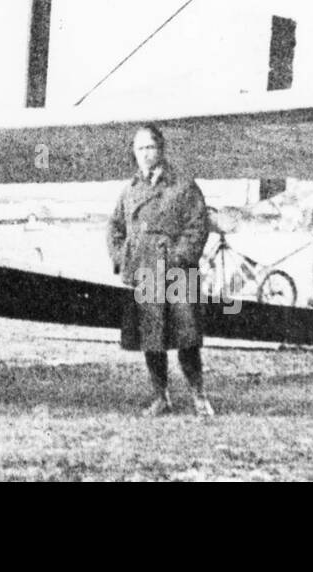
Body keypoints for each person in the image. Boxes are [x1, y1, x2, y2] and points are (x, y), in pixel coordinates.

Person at [108, 125, 214, 417]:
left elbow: (197, 226)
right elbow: (115, 227)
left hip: (177, 272)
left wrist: (178, 257)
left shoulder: (183, 186)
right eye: (139, 149)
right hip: (145, 273)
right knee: (151, 339)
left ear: (161, 150)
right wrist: (123, 256)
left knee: (186, 336)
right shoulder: (130, 191)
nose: (143, 154)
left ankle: (198, 395)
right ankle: (161, 397)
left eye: (149, 148)